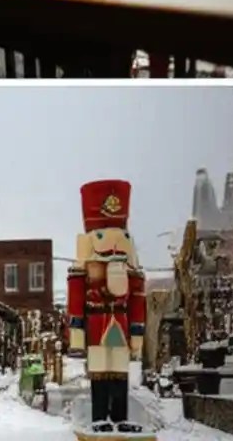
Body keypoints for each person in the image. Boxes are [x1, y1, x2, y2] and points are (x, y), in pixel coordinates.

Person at [67, 180, 146, 435]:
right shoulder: (84, 267)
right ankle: (100, 416)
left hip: (119, 322)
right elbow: (75, 300)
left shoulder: (129, 267)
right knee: (100, 368)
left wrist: (137, 331)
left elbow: (136, 299)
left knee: (120, 370)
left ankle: (119, 416)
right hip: (97, 321)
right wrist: (76, 331)